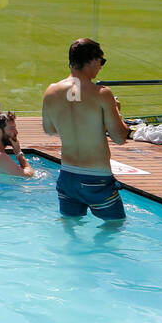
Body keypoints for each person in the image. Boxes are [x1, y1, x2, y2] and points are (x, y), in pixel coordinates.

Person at [41, 38, 131, 224]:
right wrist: (117, 112)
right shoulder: (102, 94)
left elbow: (49, 129)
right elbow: (120, 137)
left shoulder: (51, 91)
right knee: (116, 226)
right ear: (91, 60)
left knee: (69, 225)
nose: (101, 67)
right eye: (101, 61)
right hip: (96, 180)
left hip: (67, 177)